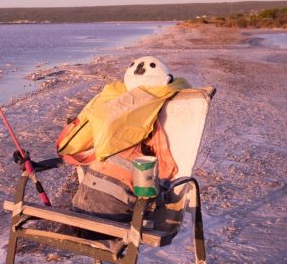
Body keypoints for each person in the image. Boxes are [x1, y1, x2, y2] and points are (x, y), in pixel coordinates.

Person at [55, 56, 190, 222]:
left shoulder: (111, 111)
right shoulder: (142, 115)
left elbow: (76, 145)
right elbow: (166, 168)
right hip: (98, 211)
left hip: (88, 210)